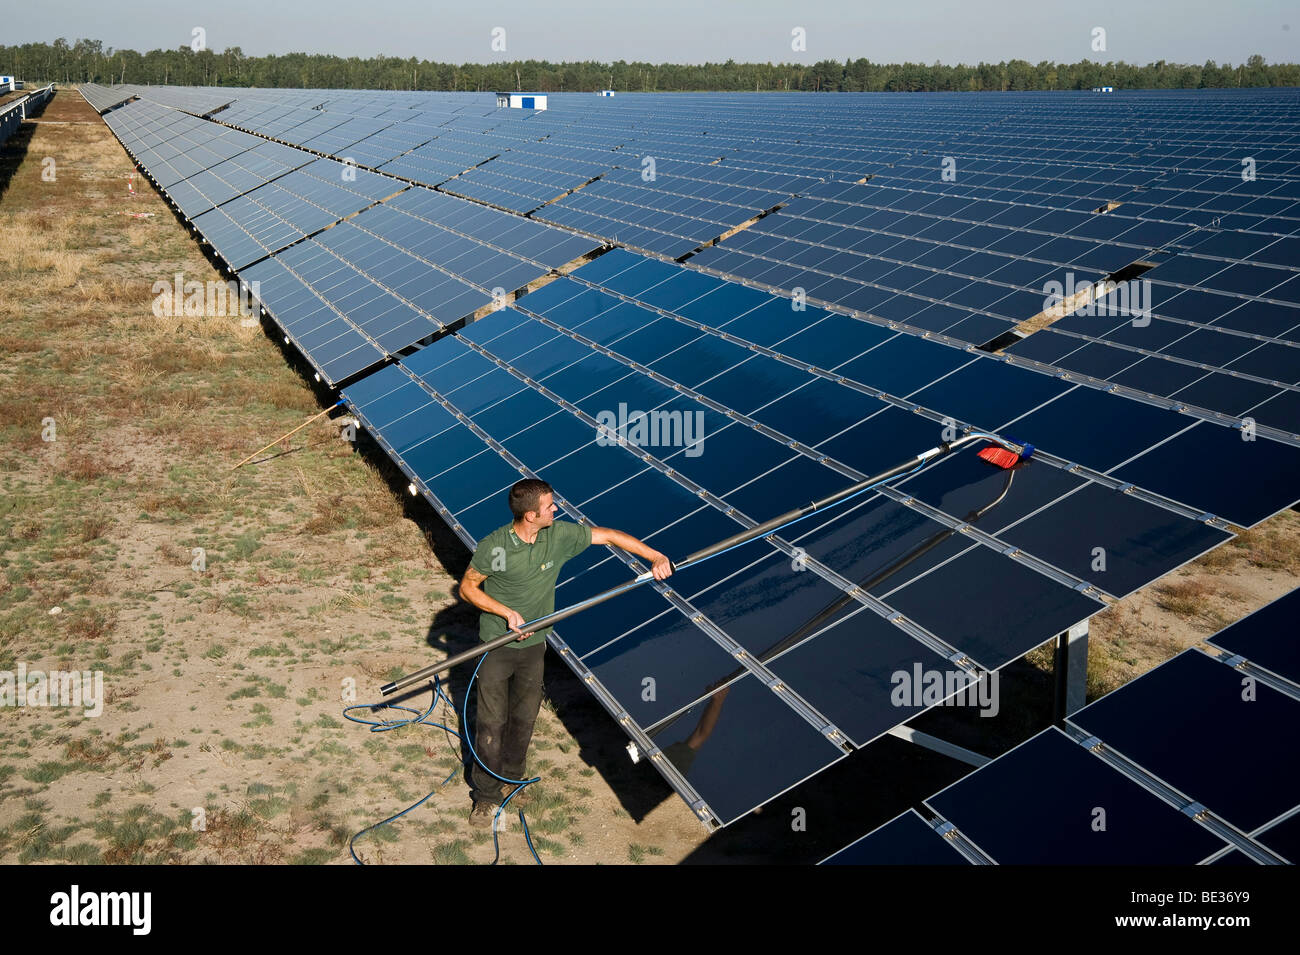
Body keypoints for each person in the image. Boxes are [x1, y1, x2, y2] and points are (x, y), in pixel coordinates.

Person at [459, 478, 673, 827]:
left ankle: (513, 781)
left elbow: (608, 535)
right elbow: (468, 588)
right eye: (549, 507)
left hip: (534, 646)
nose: (556, 510)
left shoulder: (557, 536)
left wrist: (655, 556)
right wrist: (506, 613)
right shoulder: (495, 547)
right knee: (491, 724)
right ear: (530, 515)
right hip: (496, 646)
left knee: (525, 719)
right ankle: (485, 796)